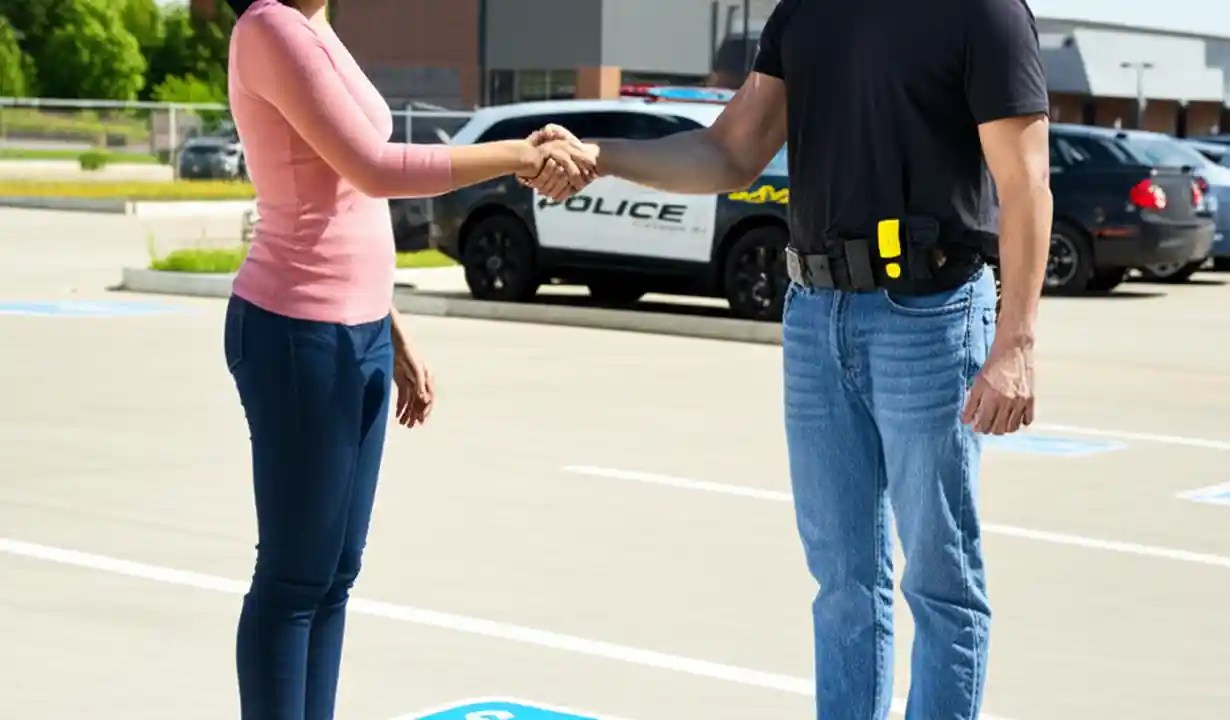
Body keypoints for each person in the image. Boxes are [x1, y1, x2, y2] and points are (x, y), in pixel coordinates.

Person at [525, 0, 1052, 717]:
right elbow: (729, 151)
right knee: (842, 582)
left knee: (939, 579)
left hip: (930, 313)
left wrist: (1015, 342)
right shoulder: (806, 11)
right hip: (815, 313)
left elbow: (1024, 185)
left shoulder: (980, 12)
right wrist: (601, 156)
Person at [218, 1, 597, 717]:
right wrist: (521, 155)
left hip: (353, 331)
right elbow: (374, 168)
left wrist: (390, 331)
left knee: (334, 574)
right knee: (295, 580)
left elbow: (342, 198)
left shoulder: (315, 25)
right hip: (298, 331)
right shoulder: (268, 27)